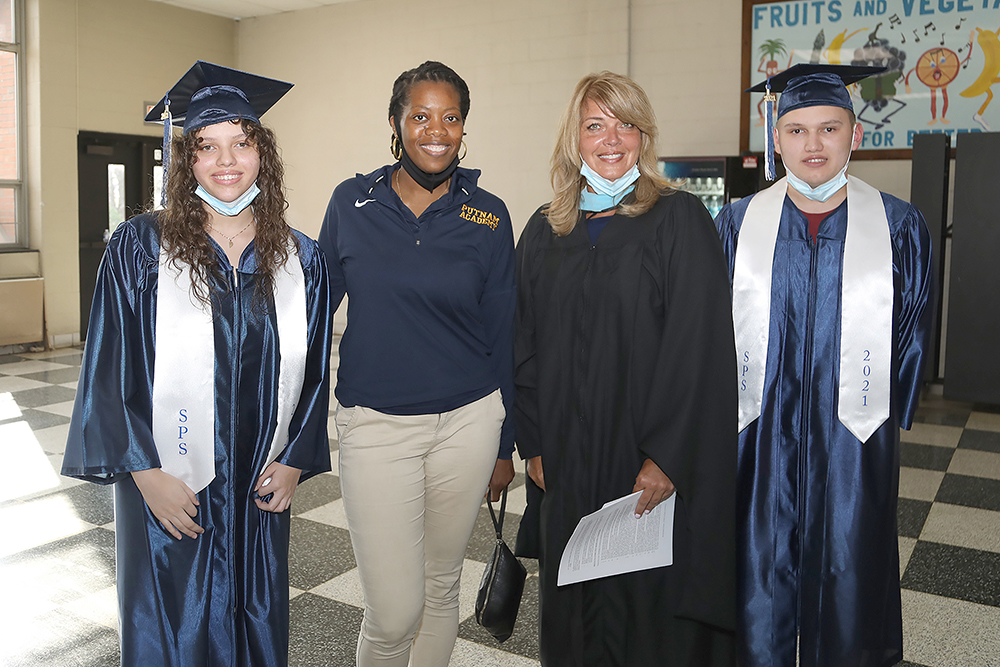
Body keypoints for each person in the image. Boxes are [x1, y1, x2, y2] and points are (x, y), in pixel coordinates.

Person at [61, 61, 333, 667]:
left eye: (242, 141)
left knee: (253, 614)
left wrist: (293, 461)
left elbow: (315, 372)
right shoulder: (141, 248)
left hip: (258, 485)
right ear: (186, 162)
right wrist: (144, 473)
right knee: (169, 623)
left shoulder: (300, 258)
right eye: (207, 146)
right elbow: (110, 368)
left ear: (264, 153)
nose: (226, 161)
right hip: (168, 480)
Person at [513, 71, 739, 667]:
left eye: (625, 125)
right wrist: (533, 443)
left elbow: (701, 349)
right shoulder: (545, 228)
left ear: (644, 137)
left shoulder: (679, 220)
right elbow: (524, 344)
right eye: (595, 125)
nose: (610, 139)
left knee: (643, 614)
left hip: (643, 459)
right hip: (564, 458)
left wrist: (668, 455)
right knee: (572, 604)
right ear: (574, 140)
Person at [715, 63, 934, 667]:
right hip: (758, 432)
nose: (813, 145)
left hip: (853, 433)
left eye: (829, 128)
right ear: (776, 138)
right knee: (757, 551)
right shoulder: (735, 225)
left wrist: (890, 410)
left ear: (855, 136)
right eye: (797, 130)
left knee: (851, 548)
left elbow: (912, 329)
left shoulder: (899, 225)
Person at [317, 61, 516, 667]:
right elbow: (312, 308)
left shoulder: (488, 214)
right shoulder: (352, 202)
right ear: (397, 124)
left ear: (464, 128)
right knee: (395, 609)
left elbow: (504, 334)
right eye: (421, 116)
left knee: (441, 588)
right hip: (377, 428)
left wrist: (506, 443)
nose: (437, 130)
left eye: (450, 117)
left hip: (469, 423)